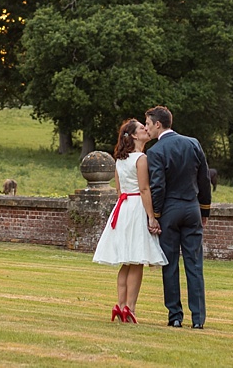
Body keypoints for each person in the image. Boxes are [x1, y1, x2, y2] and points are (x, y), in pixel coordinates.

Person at [93, 118, 168, 324]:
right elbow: (144, 189)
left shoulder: (119, 160)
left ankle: (119, 304)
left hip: (123, 207)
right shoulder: (140, 158)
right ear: (135, 135)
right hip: (135, 206)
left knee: (126, 261)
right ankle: (130, 307)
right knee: (136, 260)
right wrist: (151, 217)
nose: (147, 130)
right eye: (143, 129)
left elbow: (119, 190)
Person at [144, 105, 211, 329]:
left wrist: (156, 215)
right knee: (194, 264)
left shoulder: (155, 151)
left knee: (170, 265)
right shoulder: (193, 143)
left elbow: (158, 187)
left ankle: (175, 316)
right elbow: (204, 180)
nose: (147, 129)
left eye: (148, 124)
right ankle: (198, 319)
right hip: (192, 208)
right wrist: (205, 210)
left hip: (170, 211)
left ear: (158, 124)